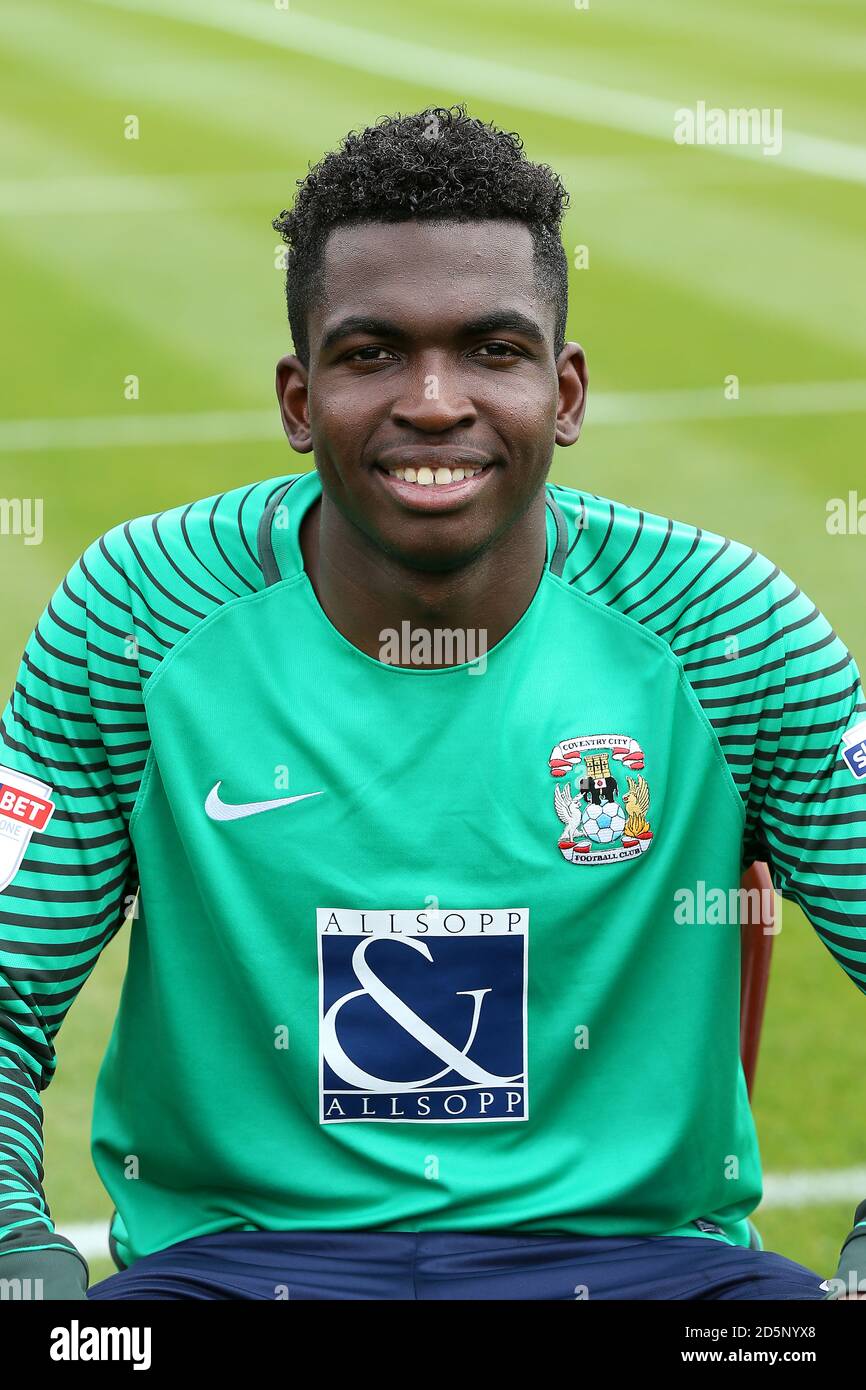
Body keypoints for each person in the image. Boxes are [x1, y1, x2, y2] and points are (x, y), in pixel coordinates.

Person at [1, 106, 863, 1302]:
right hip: (238, 1274)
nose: (432, 401)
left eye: (491, 351)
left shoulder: (724, 627)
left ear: (563, 391)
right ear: (298, 399)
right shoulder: (134, 615)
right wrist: (16, 1247)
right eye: (370, 355)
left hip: (641, 1277)